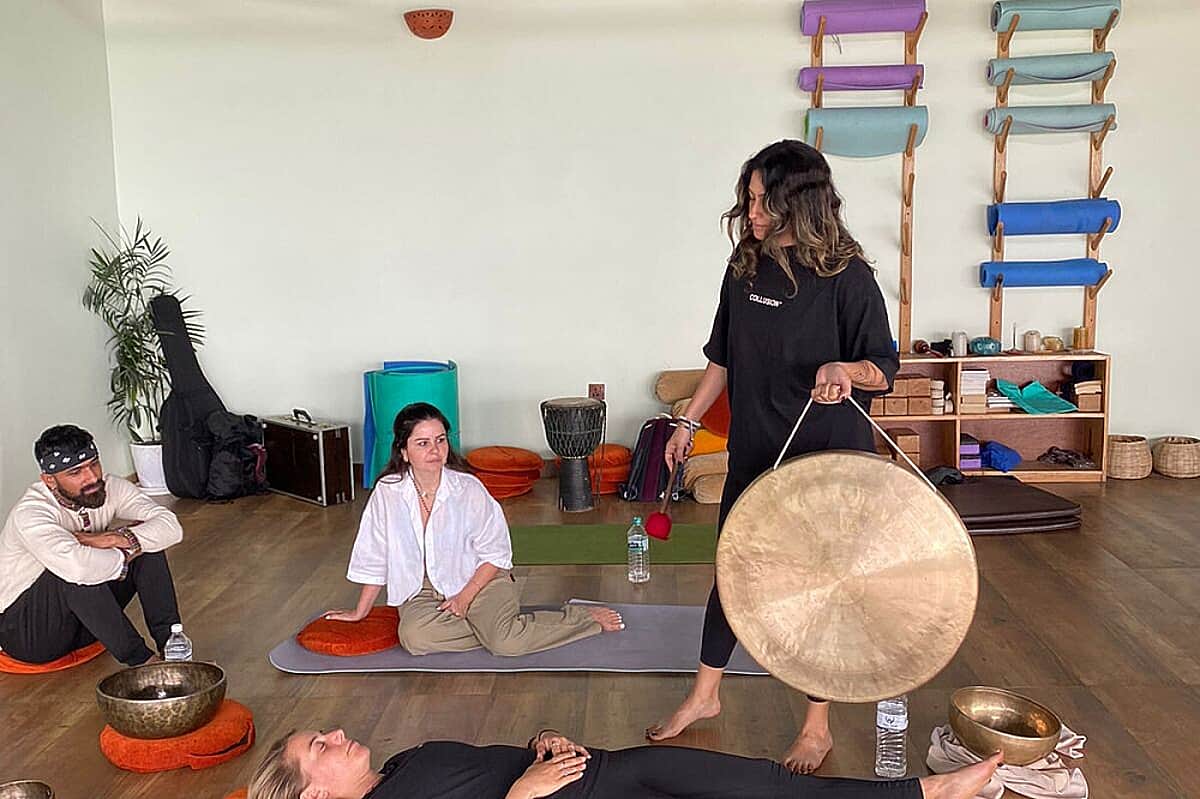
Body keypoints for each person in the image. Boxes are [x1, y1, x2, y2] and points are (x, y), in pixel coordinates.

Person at [645, 140, 900, 773]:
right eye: (750, 198)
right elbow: (721, 357)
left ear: (799, 201)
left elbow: (884, 369)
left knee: (820, 587)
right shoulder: (746, 263)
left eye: (764, 200)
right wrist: (687, 420)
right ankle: (704, 697)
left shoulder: (849, 276)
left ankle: (817, 726)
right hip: (757, 449)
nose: (751, 211)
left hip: (826, 460)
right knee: (732, 572)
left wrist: (846, 366)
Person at [322, 402, 623, 656]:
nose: (435, 450)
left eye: (441, 440)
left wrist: (465, 597)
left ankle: (578, 618)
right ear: (403, 451)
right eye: (422, 443)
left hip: (482, 579)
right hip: (421, 588)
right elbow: (375, 555)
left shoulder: (468, 489)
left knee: (506, 645)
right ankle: (500, 629)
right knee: (414, 639)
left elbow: (496, 553)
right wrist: (360, 611)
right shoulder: (388, 492)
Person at [247, 724, 1001, 799]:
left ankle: (926, 791)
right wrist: (524, 793)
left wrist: (539, 746)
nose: (338, 733)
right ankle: (930, 791)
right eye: (322, 747)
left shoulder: (403, 761)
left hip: (608, 766)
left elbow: (488, 761)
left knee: (766, 780)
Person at [0, 425, 184, 667]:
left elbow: (171, 527)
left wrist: (116, 539)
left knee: (146, 550)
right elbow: (79, 569)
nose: (92, 477)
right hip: (28, 634)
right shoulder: (31, 514)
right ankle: (144, 663)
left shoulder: (110, 487)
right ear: (49, 480)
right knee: (73, 571)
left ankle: (173, 648)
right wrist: (125, 547)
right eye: (75, 472)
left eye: (94, 463)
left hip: (83, 624)